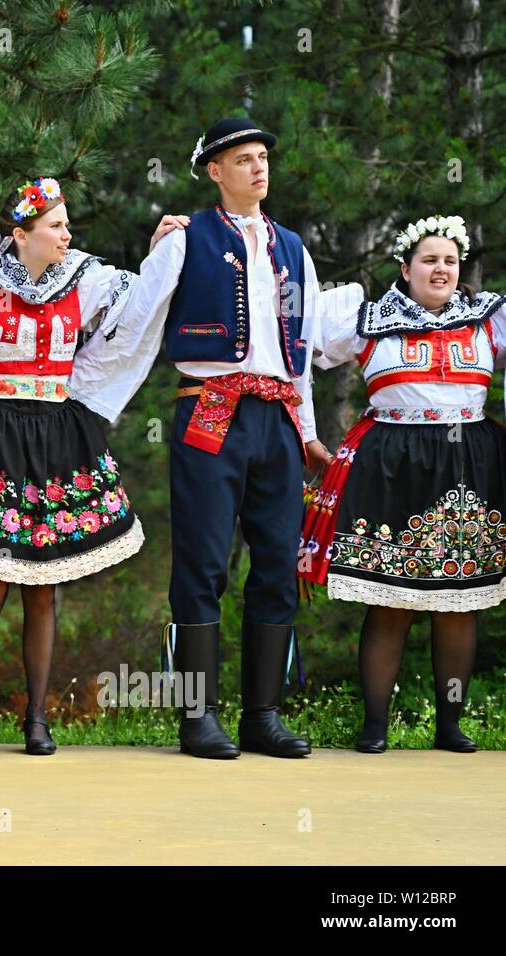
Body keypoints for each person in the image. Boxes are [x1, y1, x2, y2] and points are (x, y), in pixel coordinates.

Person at [0, 179, 186, 758]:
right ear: (20, 235)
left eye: (66, 225)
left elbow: (140, 309)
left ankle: (38, 719)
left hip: (57, 436)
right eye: (56, 226)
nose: (68, 234)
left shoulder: (84, 282)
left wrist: (160, 253)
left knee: (45, 588)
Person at [128, 117, 362, 759]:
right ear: (214, 171)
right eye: (243, 159)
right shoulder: (185, 240)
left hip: (279, 419)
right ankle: (196, 716)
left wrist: (309, 432)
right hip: (211, 410)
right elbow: (134, 323)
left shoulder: (294, 248)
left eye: (262, 157)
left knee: (278, 562)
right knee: (203, 561)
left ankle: (263, 714)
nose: (258, 167)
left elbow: (299, 351)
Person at [301, 215, 505, 753]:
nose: (441, 270)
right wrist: (305, 431)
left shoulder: (487, 319)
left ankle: (450, 726)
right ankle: (374, 726)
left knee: (458, 601)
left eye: (450, 262)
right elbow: (293, 356)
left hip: (469, 467)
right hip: (393, 465)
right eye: (430, 260)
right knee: (392, 601)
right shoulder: (367, 319)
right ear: (405, 268)